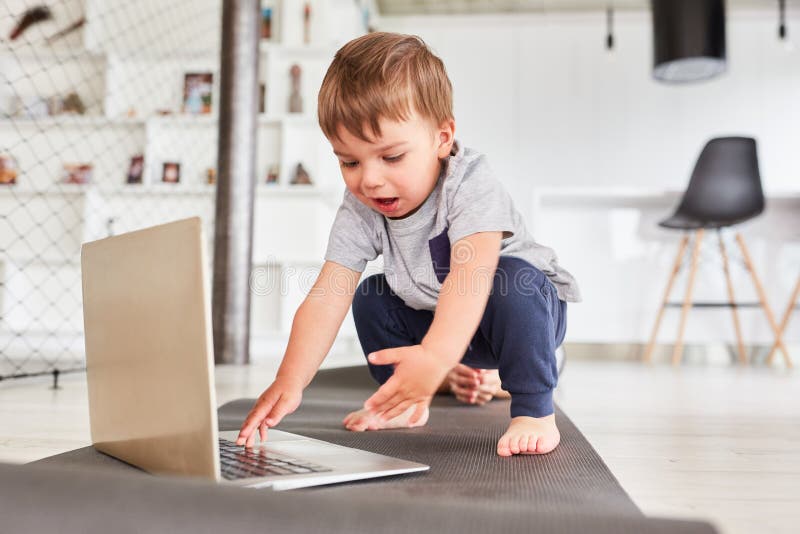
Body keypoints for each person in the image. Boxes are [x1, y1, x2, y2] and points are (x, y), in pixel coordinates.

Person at [237, 32, 580, 456]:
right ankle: (406, 399)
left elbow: (472, 280)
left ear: (441, 137)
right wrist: (290, 378)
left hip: (522, 315)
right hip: (439, 320)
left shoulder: (470, 183)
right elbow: (329, 294)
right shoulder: (362, 206)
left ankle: (532, 408)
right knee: (370, 296)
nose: (370, 179)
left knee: (512, 280)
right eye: (349, 161)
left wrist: (436, 357)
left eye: (392, 157)